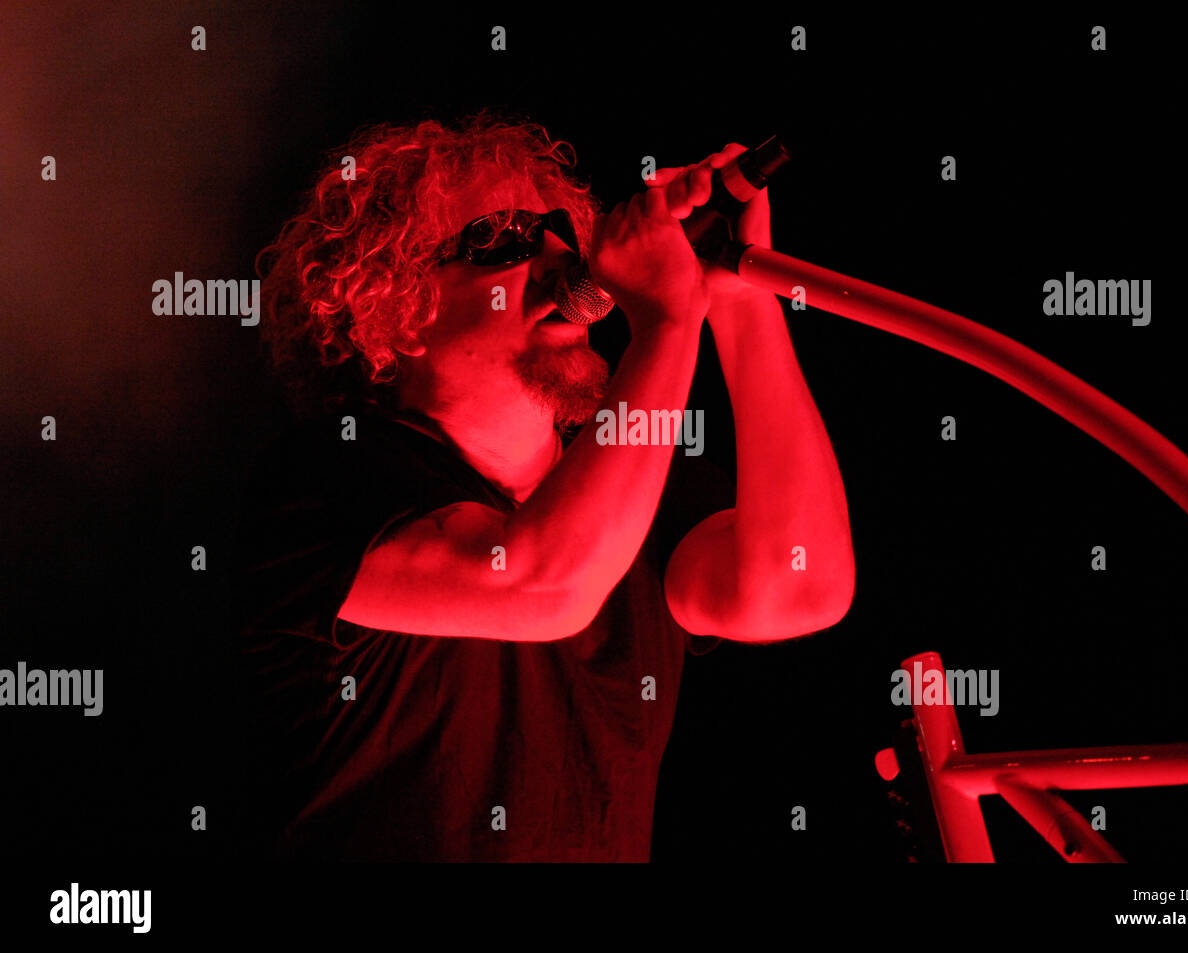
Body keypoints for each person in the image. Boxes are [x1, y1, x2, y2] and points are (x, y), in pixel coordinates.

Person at [233, 108, 855, 861]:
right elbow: (542, 583)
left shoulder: (627, 482)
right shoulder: (325, 480)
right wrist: (665, 326)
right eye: (505, 239)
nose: (561, 255)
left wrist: (735, 300)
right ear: (394, 310)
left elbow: (803, 585)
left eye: (561, 226)